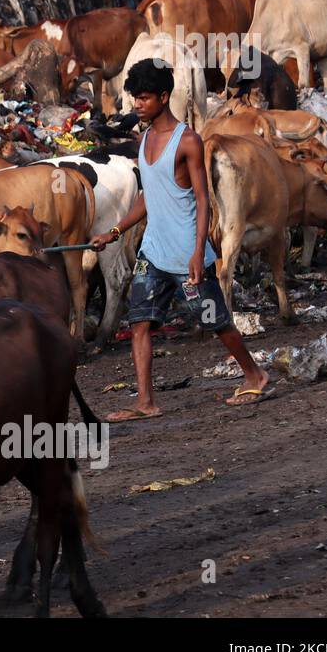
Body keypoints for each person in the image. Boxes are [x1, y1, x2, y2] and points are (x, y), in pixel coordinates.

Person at [90, 59, 270, 421]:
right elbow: (149, 194)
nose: (137, 105)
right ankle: (146, 402)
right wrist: (114, 231)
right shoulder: (143, 140)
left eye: (143, 98)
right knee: (139, 323)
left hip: (187, 252)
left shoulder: (187, 140)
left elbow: (203, 199)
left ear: (163, 96)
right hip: (153, 252)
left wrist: (197, 252)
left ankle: (255, 374)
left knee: (216, 322)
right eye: (134, 99)